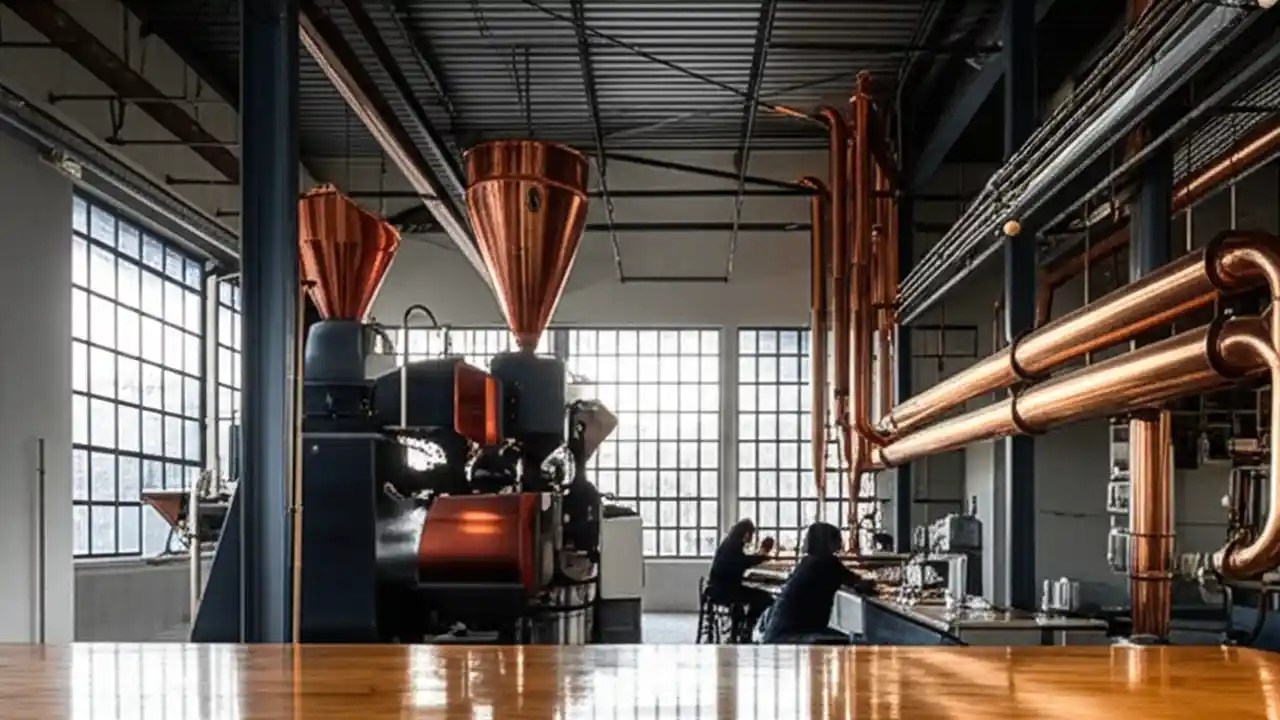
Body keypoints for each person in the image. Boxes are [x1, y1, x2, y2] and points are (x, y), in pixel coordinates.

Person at [762, 522, 876, 644]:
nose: (841, 543)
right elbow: (861, 583)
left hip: (779, 633)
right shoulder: (828, 563)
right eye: (837, 538)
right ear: (828, 542)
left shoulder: (807, 562)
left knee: (846, 639)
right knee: (859, 642)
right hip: (796, 634)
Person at [706, 519, 776, 636]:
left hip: (718, 587)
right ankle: (747, 628)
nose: (752, 538)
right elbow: (743, 562)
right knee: (765, 598)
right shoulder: (734, 546)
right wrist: (761, 557)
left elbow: (741, 561)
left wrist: (758, 557)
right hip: (725, 590)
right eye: (752, 534)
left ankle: (743, 627)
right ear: (747, 533)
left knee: (757, 596)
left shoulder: (730, 543)